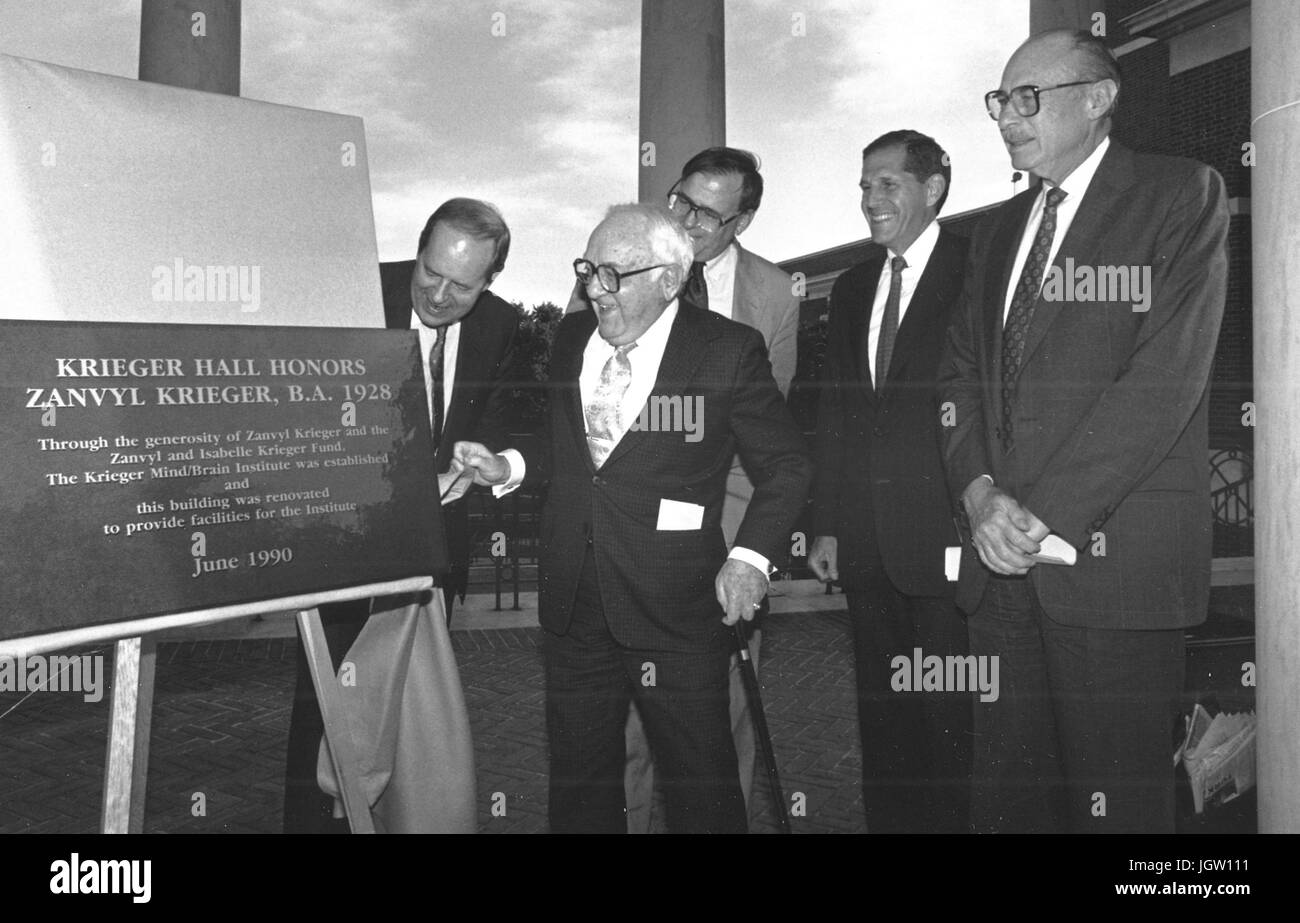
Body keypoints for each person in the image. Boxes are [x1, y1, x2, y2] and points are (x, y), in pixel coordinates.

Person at [938, 29, 1228, 833]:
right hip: (998, 579)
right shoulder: (993, 232)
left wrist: (1037, 515)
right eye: (1000, 100)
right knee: (1006, 802)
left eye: (1028, 98)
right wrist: (980, 495)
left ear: (1098, 99)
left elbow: (1163, 381)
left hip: (1116, 571)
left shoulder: (1179, 195)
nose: (1006, 118)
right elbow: (959, 379)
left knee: (1120, 810)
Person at [457, 203, 811, 833]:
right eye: (588, 270)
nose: (595, 289)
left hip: (675, 604)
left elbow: (786, 465)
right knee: (580, 781)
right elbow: (563, 448)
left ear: (669, 281)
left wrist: (750, 557)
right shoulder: (570, 340)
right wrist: (506, 465)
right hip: (573, 600)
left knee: (700, 782)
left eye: (614, 275)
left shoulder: (726, 351)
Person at [283, 197, 521, 833]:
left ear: (490, 281)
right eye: (429, 273)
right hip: (342, 545)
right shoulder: (358, 292)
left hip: (433, 555)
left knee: (410, 714)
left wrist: (487, 463)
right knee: (326, 710)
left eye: (462, 286)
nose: (440, 296)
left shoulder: (501, 325)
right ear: (416, 251)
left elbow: (504, 421)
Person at [623, 146, 800, 832]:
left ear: (742, 221)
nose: (686, 220)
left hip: (726, 521)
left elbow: (769, 432)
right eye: (680, 200)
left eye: (708, 213)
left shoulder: (778, 295)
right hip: (632, 522)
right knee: (632, 711)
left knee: (727, 705)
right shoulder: (622, 263)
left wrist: (746, 550)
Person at [808, 130, 971, 833]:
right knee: (885, 715)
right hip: (867, 546)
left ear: (933, 188)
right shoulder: (851, 287)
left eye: (887, 183)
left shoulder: (977, 271)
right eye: (864, 184)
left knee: (952, 717)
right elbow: (837, 411)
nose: (870, 198)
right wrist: (825, 521)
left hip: (948, 540)